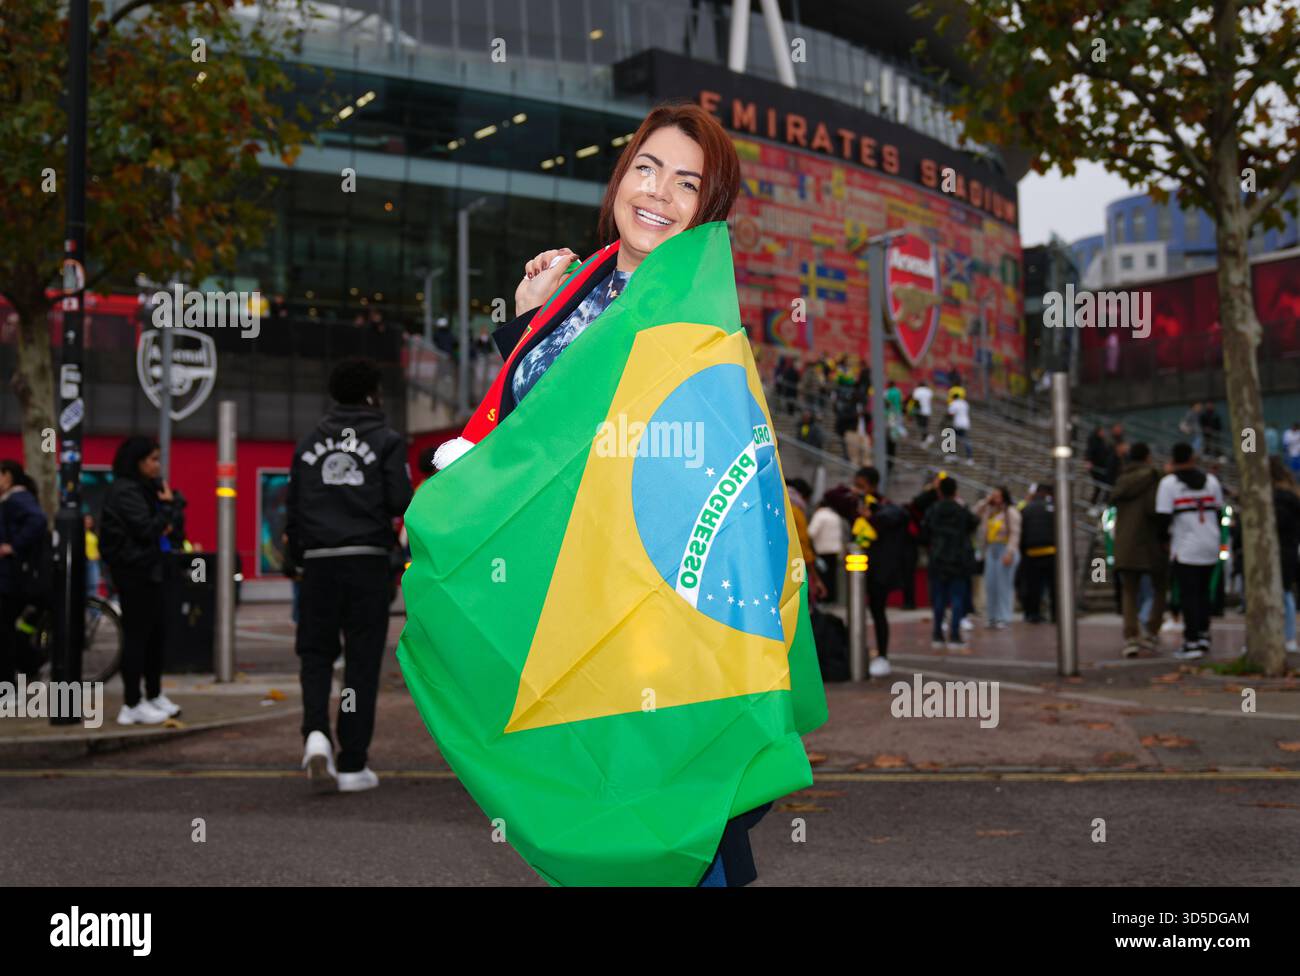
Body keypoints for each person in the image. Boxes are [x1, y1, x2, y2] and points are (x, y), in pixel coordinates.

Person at [287, 357, 413, 794]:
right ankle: (353, 763)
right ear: (372, 393)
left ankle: (315, 733)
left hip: (319, 562)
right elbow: (400, 501)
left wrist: (297, 562)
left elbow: (293, 511)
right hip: (367, 562)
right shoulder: (387, 440)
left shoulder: (307, 444)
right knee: (360, 662)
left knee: (316, 654)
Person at [99, 438, 181, 725]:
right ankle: (132, 703)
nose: (157, 465)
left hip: (150, 570)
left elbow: (166, 529)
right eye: (153, 459)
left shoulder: (144, 490)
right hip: (135, 572)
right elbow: (147, 529)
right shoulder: (125, 492)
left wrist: (168, 512)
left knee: (155, 636)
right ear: (137, 461)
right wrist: (167, 509)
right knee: (138, 637)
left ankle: (153, 695)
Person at [1155, 442, 1225, 659]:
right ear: (1193, 458)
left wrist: (1164, 542)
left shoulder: (1169, 484)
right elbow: (1220, 512)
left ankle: (1191, 640)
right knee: (1204, 593)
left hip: (1185, 547)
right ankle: (1203, 635)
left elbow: (1162, 518)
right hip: (1210, 544)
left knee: (1189, 595)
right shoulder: (1212, 482)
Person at [850, 466, 909, 676]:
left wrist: (871, 513)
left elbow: (896, 516)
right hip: (858, 567)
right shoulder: (854, 502)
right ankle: (856, 653)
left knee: (877, 611)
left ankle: (882, 655)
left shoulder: (883, 506)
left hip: (878, 570)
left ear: (873, 486)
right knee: (859, 612)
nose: (857, 490)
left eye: (861, 486)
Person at [1109, 443, 1167, 657]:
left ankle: (1131, 636)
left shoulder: (1122, 480)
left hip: (1125, 543)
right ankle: (1151, 630)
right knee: (1161, 587)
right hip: (1151, 541)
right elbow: (1157, 509)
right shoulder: (1155, 478)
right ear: (1148, 457)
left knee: (1129, 592)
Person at [0, 461, 47, 686]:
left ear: (7, 476)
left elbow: (37, 520)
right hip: (13, 578)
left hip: (11, 578)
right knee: (10, 631)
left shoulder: (17, 498)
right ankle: (30, 665)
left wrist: (13, 546)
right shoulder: (14, 499)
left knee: (6, 633)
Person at [921, 476, 978, 650]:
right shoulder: (960, 510)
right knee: (957, 598)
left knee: (938, 598)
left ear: (939, 491)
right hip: (958, 559)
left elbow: (924, 531)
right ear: (955, 491)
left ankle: (937, 633)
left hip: (938, 558)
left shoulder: (933, 509)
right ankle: (954, 635)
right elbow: (974, 523)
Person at [973, 487, 1020, 629]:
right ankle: (992, 616)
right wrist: (986, 501)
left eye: (998, 496)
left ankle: (1004, 617)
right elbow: (974, 513)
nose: (995, 499)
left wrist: (1010, 552)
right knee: (991, 585)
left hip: (1005, 549)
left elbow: (1015, 533)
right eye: (994, 496)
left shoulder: (1011, 512)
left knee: (1004, 585)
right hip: (991, 549)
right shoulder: (989, 511)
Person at [1270, 456, 1300, 653]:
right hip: (1290, 548)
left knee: (1283, 592)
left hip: (1278, 549)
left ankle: (1287, 637)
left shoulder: (1274, 497)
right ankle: (1289, 637)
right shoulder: (1293, 494)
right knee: (1286, 591)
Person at [1019, 482, 1058, 624]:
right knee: (1054, 587)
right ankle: (1056, 614)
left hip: (1031, 553)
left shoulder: (1026, 508)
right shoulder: (1055, 508)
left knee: (1033, 587)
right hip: (1051, 552)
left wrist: (1023, 551)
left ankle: (1032, 614)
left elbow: (1021, 532)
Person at [807, 490, 848, 605]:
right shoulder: (835, 516)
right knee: (832, 575)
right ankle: (831, 597)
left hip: (822, 550)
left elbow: (811, 532)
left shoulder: (819, 515)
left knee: (822, 576)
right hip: (835, 550)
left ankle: (822, 598)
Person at [947, 390, 973, 464]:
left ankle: (953, 455)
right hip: (966, 423)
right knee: (965, 440)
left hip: (958, 424)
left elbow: (950, 414)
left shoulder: (954, 403)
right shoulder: (965, 403)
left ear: (953, 398)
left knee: (951, 437)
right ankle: (970, 458)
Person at [84, 513, 102, 599]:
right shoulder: (81, 533)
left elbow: (97, 546)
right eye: (86, 520)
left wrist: (98, 554)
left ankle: (94, 610)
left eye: (90, 520)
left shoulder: (93, 533)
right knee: (87, 585)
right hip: (86, 562)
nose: (88, 522)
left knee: (94, 585)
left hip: (94, 562)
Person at [911, 379, 934, 446]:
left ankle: (926, 438)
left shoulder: (917, 390)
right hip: (927, 411)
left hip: (919, 410)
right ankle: (924, 440)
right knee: (925, 425)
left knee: (920, 425)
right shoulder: (929, 391)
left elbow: (915, 400)